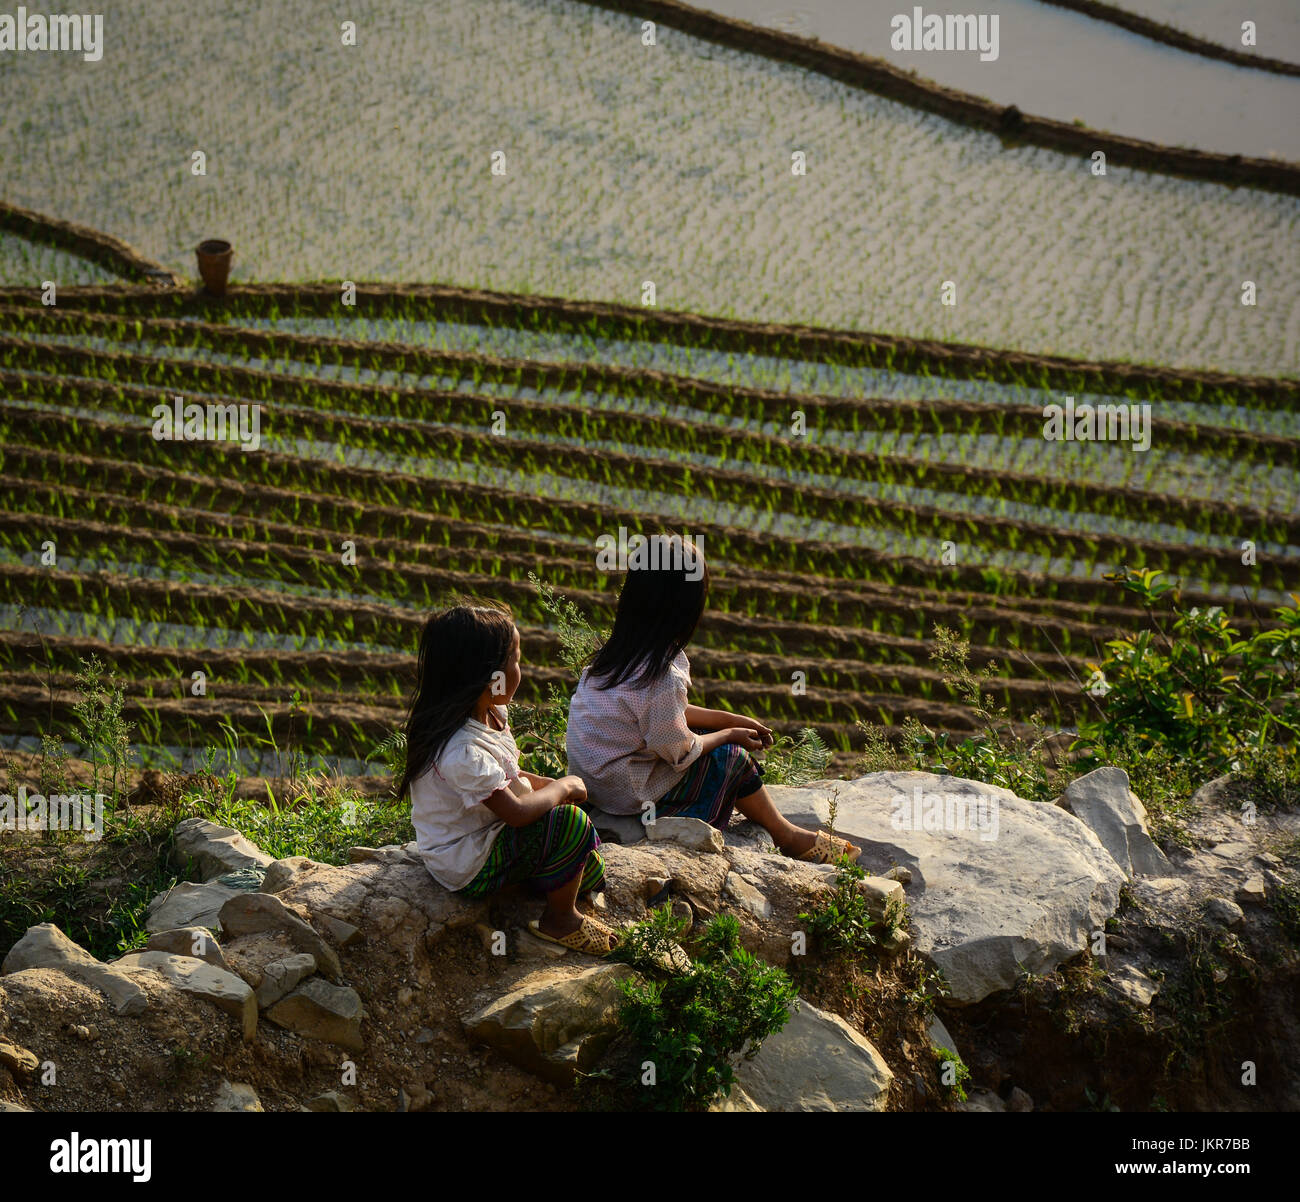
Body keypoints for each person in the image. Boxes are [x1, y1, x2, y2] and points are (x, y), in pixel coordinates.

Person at [566, 537, 860, 864]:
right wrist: (730, 735)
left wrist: (728, 719)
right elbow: (680, 751)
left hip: (599, 788)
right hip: (629, 796)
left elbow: (658, 717)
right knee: (730, 758)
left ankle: (784, 830)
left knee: (713, 740)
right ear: (685, 611)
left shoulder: (614, 658)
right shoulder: (661, 677)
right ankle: (785, 834)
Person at [398, 603, 619, 956]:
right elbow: (515, 811)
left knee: (584, 860)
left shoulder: (492, 714)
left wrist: (546, 783)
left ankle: (541, 876)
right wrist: (562, 786)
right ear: (490, 676)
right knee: (571, 824)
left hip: (490, 831)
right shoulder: (461, 750)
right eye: (516, 660)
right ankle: (559, 921)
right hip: (468, 861)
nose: (521, 669)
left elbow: (507, 776)